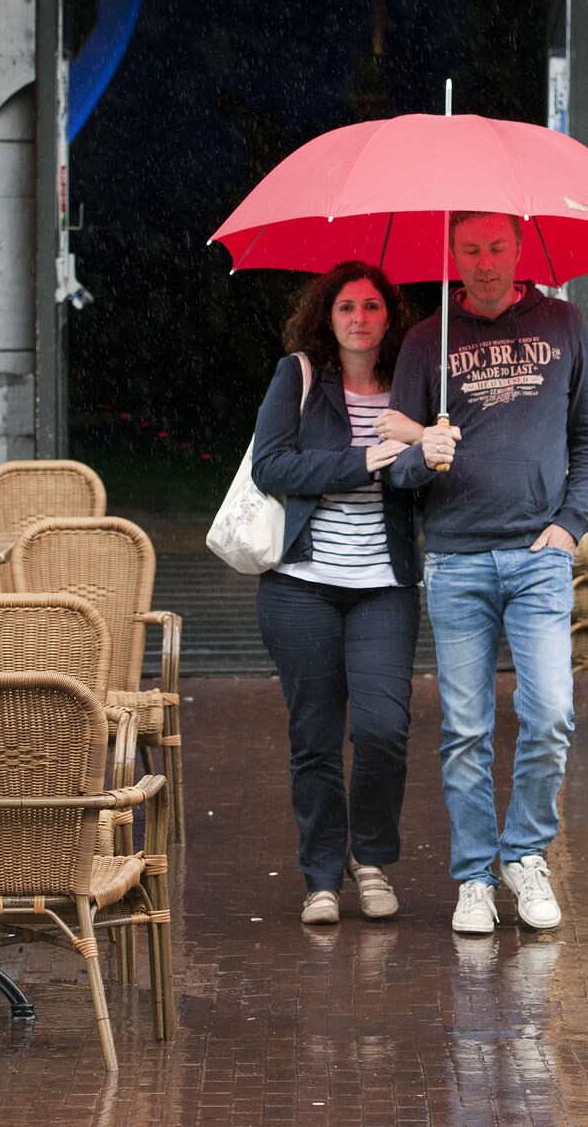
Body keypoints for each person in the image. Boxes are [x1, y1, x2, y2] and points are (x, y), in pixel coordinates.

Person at [385, 211, 588, 935]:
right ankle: (475, 876)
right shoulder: (427, 340)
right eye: (471, 248)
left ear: (519, 248)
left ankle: (526, 855)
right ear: (452, 252)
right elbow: (398, 466)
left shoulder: (566, 324)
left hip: (539, 560)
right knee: (466, 730)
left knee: (550, 716)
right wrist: (428, 454)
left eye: (497, 247)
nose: (484, 262)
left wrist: (569, 526)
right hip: (454, 559)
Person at [250, 260, 423, 926]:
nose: (359, 318)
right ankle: (322, 875)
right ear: (327, 315)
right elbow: (271, 464)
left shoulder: (414, 386)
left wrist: (424, 450)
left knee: (384, 729)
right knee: (315, 738)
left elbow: (424, 482)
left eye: (372, 307)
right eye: (346, 306)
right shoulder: (298, 376)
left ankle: (371, 858)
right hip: (302, 587)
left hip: (384, 585)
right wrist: (361, 459)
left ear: (390, 317)